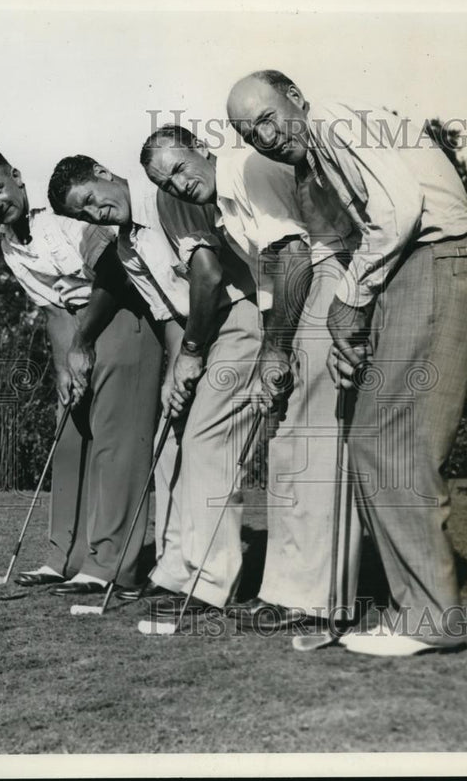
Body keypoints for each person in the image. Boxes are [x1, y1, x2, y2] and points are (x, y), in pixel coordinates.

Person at [226, 70, 467, 655]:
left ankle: (426, 619)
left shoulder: (338, 121)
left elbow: (399, 214)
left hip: (437, 259)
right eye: (250, 133)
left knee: (392, 441)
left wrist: (350, 300)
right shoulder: (314, 158)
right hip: (412, 269)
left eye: (267, 118)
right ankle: (413, 611)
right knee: (376, 434)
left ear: (295, 98)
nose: (263, 137)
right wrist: (358, 317)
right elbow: (366, 237)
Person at [140, 124, 362, 629]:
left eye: (180, 167)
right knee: (288, 439)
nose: (178, 184)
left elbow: (295, 257)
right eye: (166, 182)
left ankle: (313, 597)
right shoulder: (217, 200)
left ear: (202, 148)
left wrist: (275, 350)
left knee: (307, 438)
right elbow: (273, 269)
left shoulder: (245, 170)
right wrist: (271, 341)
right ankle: (296, 592)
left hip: (332, 275)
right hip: (294, 291)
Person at [47, 155, 260, 615]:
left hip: (236, 320)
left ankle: (211, 581)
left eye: (90, 200)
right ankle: (174, 570)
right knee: (169, 447)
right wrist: (172, 372)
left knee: (205, 443)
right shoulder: (126, 248)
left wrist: (190, 355)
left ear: (103, 174)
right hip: (194, 334)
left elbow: (209, 275)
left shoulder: (163, 198)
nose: (94, 214)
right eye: (83, 215)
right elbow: (168, 313)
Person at [0, 144, 163, 597]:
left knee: (116, 444)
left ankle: (111, 564)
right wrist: (64, 369)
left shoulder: (65, 219)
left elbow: (113, 274)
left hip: (123, 319)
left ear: (15, 176)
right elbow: (52, 310)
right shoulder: (9, 245)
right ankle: (64, 558)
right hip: (79, 332)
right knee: (69, 440)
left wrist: (83, 344)